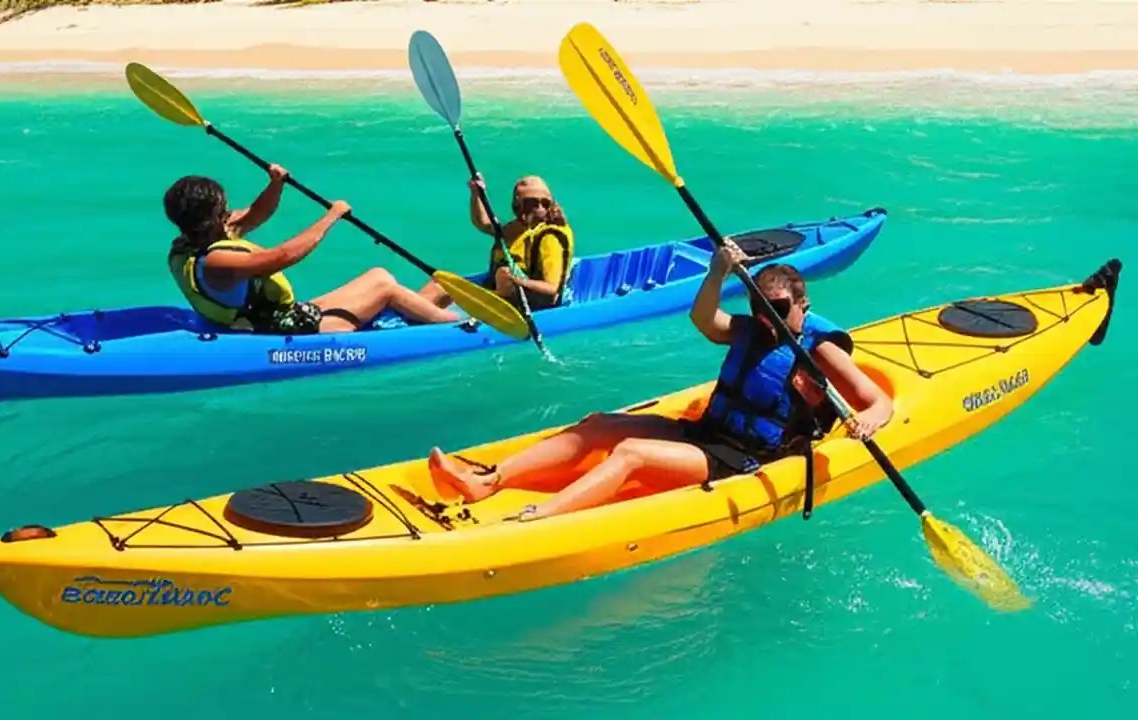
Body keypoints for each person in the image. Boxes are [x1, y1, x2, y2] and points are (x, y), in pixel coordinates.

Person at [426, 238, 895, 521]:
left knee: (631, 453)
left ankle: (541, 517)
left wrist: (866, 423)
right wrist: (717, 272)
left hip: (746, 456)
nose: (766, 317)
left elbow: (877, 402)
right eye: (759, 306)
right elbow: (704, 319)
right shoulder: (751, 328)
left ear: (802, 305)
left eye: (779, 309)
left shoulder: (819, 348)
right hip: (709, 434)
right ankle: (488, 482)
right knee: (598, 426)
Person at [165, 164, 461, 334]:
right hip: (284, 333)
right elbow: (281, 257)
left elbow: (255, 214)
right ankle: (461, 327)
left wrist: (275, 184)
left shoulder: (188, 244)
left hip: (282, 317)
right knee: (385, 287)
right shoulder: (216, 262)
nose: (229, 211)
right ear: (213, 216)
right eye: (223, 208)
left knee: (378, 275)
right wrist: (330, 218)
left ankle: (429, 306)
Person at [419, 174, 575, 311]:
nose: (540, 209)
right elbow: (483, 223)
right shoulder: (517, 229)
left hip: (529, 303)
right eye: (532, 203)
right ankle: (406, 315)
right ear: (518, 205)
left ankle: (427, 320)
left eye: (545, 203)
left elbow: (552, 290)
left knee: (447, 292)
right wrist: (476, 194)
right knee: (438, 282)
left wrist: (513, 280)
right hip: (502, 293)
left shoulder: (549, 237)